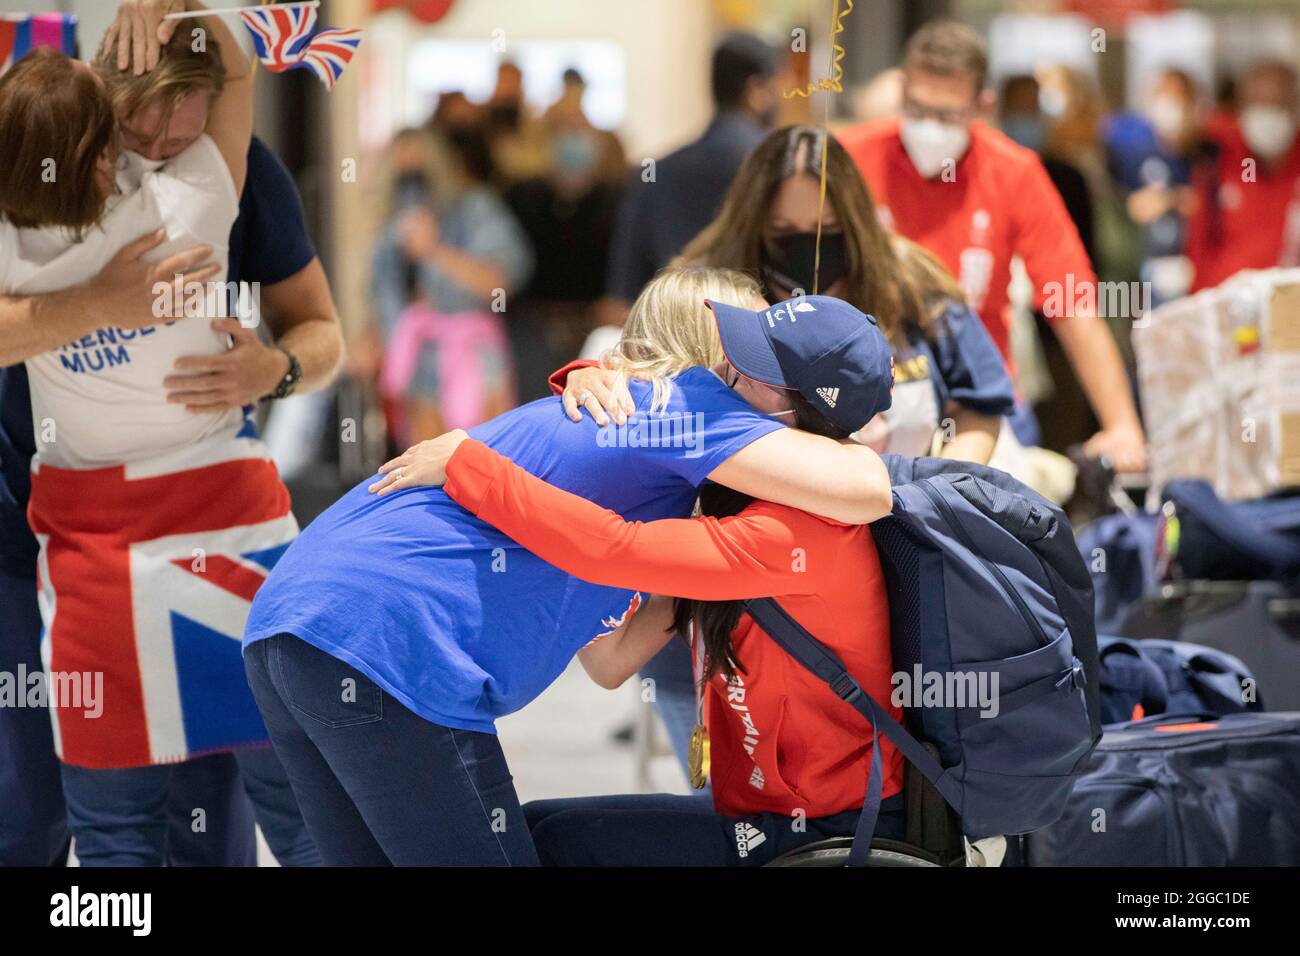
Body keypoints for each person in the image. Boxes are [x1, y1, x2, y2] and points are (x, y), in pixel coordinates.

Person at [241, 266, 894, 866]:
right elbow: (868, 485)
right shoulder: (687, 406)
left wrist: (693, 559)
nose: (734, 364)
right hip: (387, 641)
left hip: (289, 625)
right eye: (735, 348)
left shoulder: (625, 431)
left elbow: (608, 661)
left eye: (755, 356)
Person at [0, 3, 316, 867]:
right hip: (225, 521)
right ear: (106, 132)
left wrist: (275, 367)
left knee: (115, 836)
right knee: (299, 808)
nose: (155, 149)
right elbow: (244, 69)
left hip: (93, 545)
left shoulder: (12, 248)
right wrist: (194, 14)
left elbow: (318, 333)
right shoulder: (192, 206)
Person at [838, 19, 1148, 473]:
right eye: (917, 109)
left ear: (981, 105)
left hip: (982, 395)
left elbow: (1071, 303)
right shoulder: (851, 159)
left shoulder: (1013, 172)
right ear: (902, 93)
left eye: (946, 116)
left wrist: (1122, 424)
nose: (928, 128)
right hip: (869, 394)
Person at [370, 124, 534, 444]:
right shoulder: (391, 226)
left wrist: (434, 251)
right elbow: (383, 296)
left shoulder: (476, 209)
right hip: (417, 364)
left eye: (420, 176)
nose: (412, 189)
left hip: (475, 359)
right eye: (403, 178)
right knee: (427, 480)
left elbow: (500, 283)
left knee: (483, 465)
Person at [603, 32, 779, 312]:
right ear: (756, 91)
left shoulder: (655, 173)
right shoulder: (783, 171)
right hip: (764, 347)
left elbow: (619, 300)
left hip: (670, 342)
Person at [1186, 59, 1300, 291]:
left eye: (1277, 105)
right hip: (1227, 306)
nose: (1268, 117)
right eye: (1259, 105)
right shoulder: (1218, 161)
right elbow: (1199, 247)